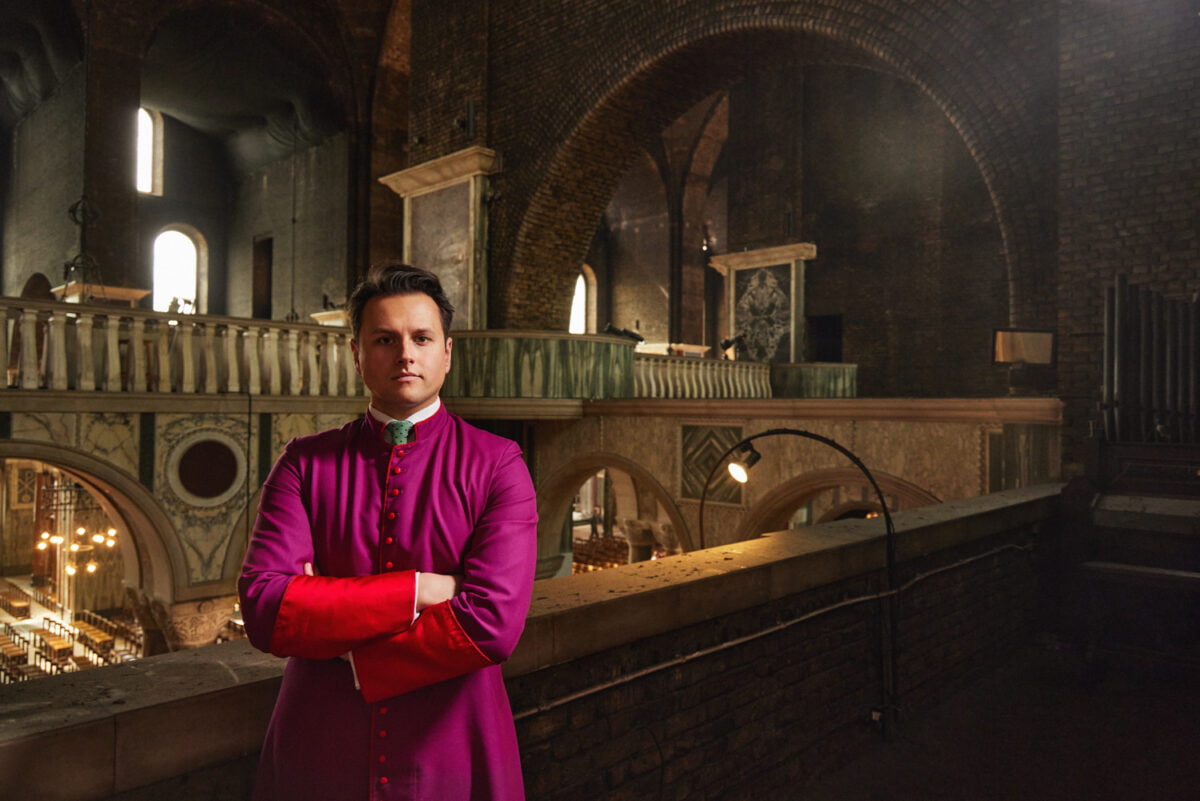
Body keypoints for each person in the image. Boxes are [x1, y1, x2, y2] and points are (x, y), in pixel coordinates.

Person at [239, 263, 537, 800]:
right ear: (356, 354)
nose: (405, 354)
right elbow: (264, 606)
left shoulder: (498, 463)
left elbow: (492, 623)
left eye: (422, 338)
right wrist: (424, 589)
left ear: (446, 353)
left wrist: (338, 637)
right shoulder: (304, 463)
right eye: (385, 339)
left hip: (452, 745)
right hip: (320, 746)